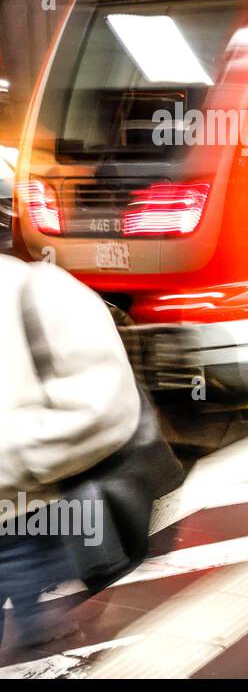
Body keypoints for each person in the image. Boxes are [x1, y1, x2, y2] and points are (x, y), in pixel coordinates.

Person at [0, 255, 140, 647]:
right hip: (27, 506)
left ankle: (38, 626)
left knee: (31, 580)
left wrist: (16, 459)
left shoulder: (38, 288)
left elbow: (102, 404)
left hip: (25, 508)